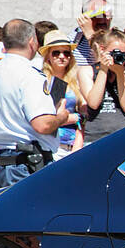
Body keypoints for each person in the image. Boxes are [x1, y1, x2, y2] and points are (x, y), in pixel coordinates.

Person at [0, 19, 75, 187]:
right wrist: (62, 117)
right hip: (29, 164)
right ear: (32, 41)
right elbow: (42, 125)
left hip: (6, 161)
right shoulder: (30, 75)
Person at [78, 29, 125, 142]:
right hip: (95, 137)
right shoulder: (87, 71)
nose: (118, 57)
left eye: (124, 54)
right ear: (102, 49)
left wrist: (120, 74)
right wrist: (103, 69)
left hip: (124, 135)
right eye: (114, 53)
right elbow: (93, 104)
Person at [39, 31, 84, 159]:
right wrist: (72, 118)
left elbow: (84, 118)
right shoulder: (40, 81)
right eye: (56, 53)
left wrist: (77, 148)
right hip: (47, 146)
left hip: (71, 146)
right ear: (48, 56)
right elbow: (42, 119)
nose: (62, 56)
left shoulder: (77, 81)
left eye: (66, 53)